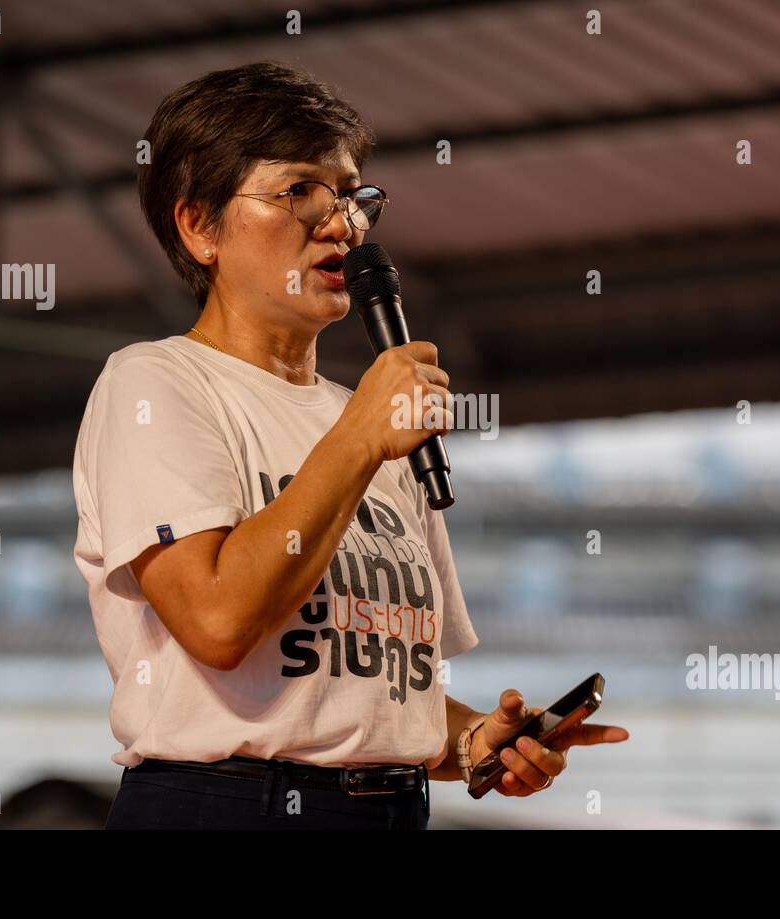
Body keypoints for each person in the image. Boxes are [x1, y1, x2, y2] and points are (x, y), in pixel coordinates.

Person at [71, 60, 628, 830]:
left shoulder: (370, 417)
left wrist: (475, 742)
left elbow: (368, 689)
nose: (342, 224)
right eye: (297, 191)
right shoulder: (157, 383)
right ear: (198, 225)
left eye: (351, 195)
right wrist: (361, 438)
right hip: (228, 808)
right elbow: (219, 620)